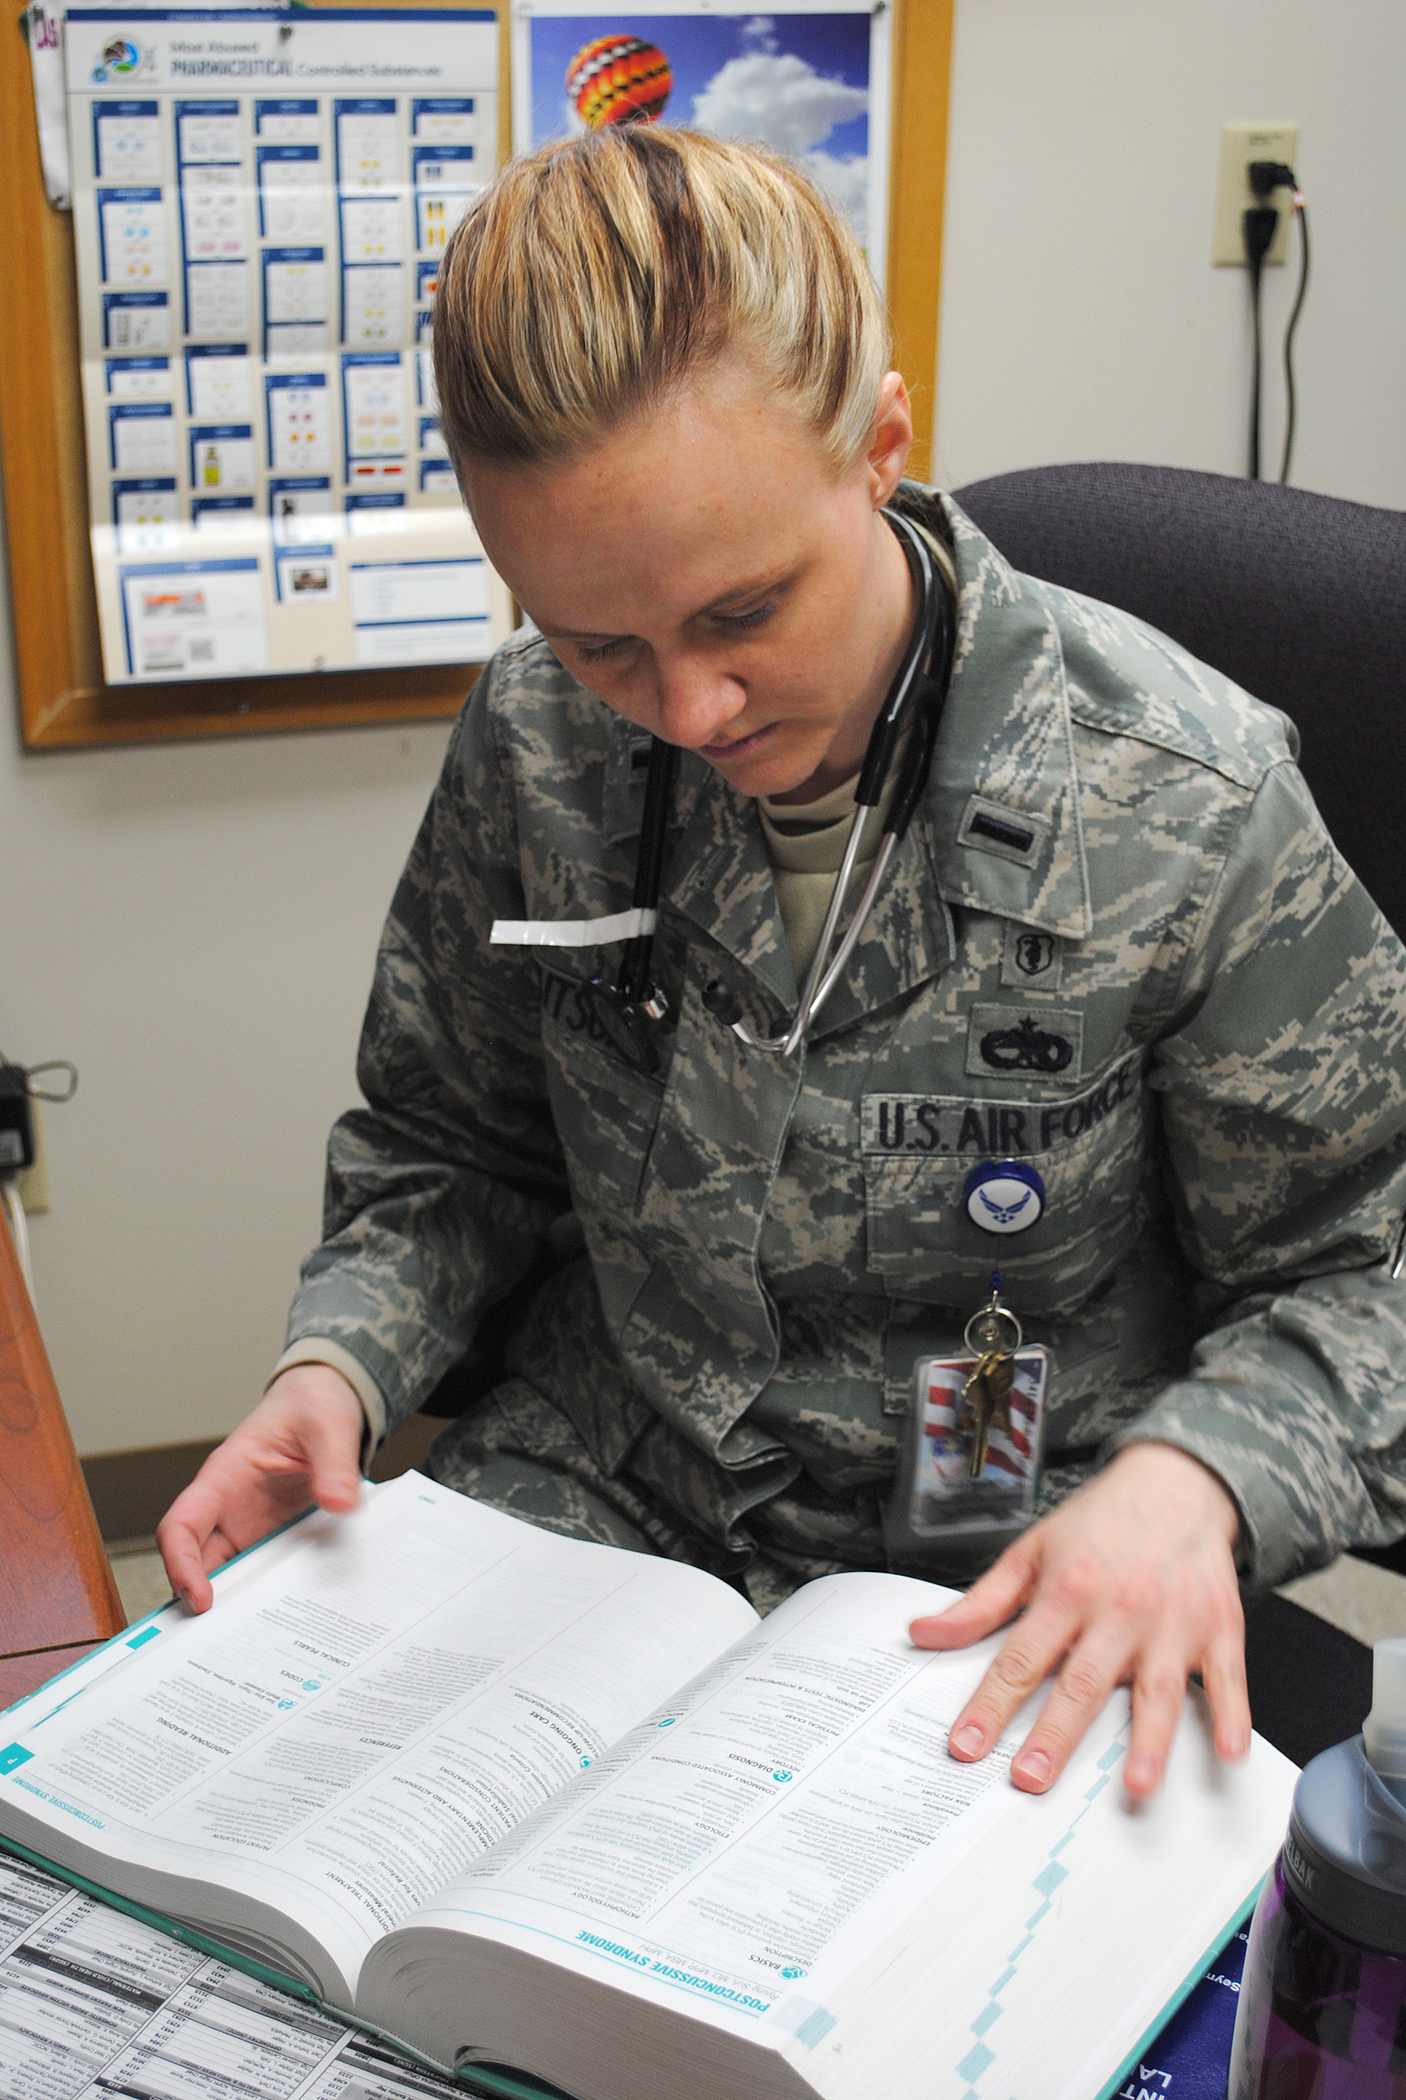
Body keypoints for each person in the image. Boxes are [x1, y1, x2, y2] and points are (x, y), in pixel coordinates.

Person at [159, 126, 1406, 1807]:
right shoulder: (537, 741)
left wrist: (1203, 1480)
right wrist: (340, 1365)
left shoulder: (1179, 802)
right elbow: (448, 1147)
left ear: (877, 449)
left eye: (742, 613)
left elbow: (1364, 1271)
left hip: (1007, 1543)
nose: (683, 710)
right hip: (605, 1507)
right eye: (599, 637)